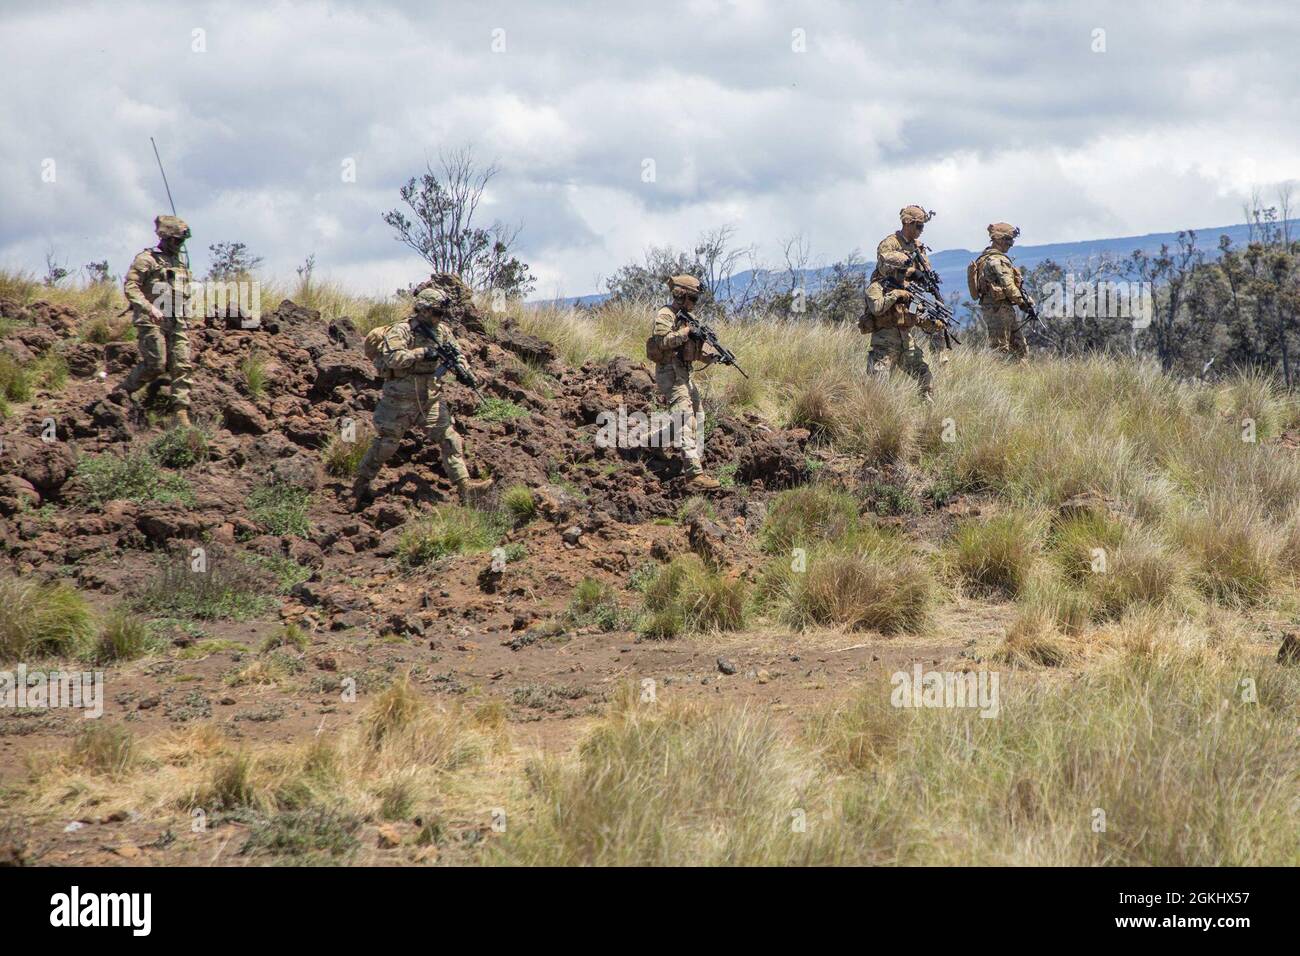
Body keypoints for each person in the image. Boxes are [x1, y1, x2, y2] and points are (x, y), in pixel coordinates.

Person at [352, 284, 490, 508]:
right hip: (399, 398)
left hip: (430, 398)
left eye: (441, 313)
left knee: (450, 439)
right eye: (436, 312)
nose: (439, 317)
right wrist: (422, 353)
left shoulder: (443, 331)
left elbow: (457, 354)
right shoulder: (402, 330)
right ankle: (361, 483)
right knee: (387, 444)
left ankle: (465, 488)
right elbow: (393, 359)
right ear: (423, 310)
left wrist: (464, 371)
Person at [117, 215, 194, 426]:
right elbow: (131, 287)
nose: (180, 245)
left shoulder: (179, 262)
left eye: (182, 241)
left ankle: (180, 414)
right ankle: (123, 392)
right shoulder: (146, 259)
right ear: (165, 238)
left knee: (182, 365)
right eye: (177, 240)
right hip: (151, 320)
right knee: (157, 363)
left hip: (177, 320)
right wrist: (148, 307)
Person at [646, 274, 719, 490]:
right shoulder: (666, 314)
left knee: (697, 417)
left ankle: (653, 442)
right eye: (693, 299)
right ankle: (694, 474)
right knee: (685, 418)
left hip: (684, 375)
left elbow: (691, 353)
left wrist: (711, 356)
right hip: (669, 374)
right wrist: (687, 332)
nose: (695, 304)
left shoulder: (687, 318)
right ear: (681, 294)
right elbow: (663, 341)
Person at [973, 222, 1032, 361]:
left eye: (1012, 240)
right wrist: (1024, 302)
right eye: (1008, 239)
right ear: (999, 239)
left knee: (1020, 349)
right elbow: (1009, 285)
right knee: (1000, 350)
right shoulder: (997, 260)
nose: (1011, 244)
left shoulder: (985, 258)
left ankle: (1022, 380)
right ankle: (995, 380)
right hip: (998, 310)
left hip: (999, 309)